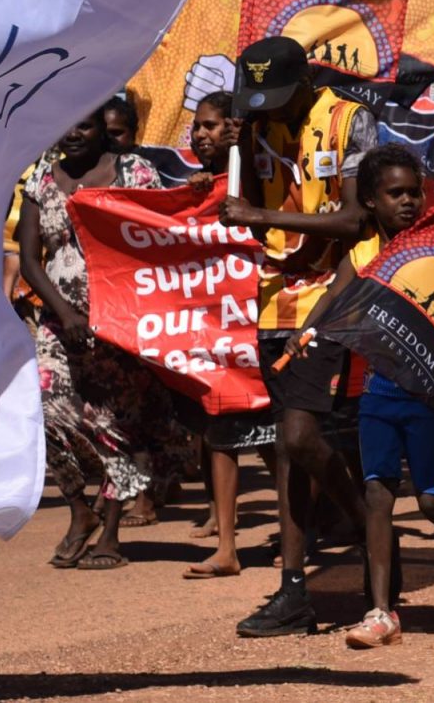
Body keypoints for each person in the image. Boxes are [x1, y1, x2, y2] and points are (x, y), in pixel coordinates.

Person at [288, 145, 434, 646]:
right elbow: (332, 299)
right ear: (370, 201)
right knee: (378, 495)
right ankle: (382, 612)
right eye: (395, 194)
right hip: (376, 392)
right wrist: (307, 332)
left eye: (415, 193)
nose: (408, 202)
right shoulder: (361, 257)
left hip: (428, 394)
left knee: (430, 501)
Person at [221, 36, 377, 638]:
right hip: (273, 300)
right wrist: (229, 157)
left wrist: (259, 217)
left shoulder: (347, 119)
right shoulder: (256, 127)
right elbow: (246, 202)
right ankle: (293, 591)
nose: (271, 109)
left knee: (300, 434)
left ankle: (368, 529)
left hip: (333, 297)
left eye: (281, 98)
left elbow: (354, 219)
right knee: (290, 449)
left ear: (307, 84)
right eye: (260, 100)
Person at [15, 107, 163, 570]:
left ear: (103, 130)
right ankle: (80, 508)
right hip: (62, 321)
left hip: (123, 317)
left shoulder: (135, 172)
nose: (73, 132)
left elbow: (163, 234)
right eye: (67, 122)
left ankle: (112, 533)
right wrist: (65, 313)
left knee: (113, 421)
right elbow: (30, 259)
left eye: (84, 124)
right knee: (46, 409)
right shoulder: (41, 175)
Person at [180, 91, 276, 580]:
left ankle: (299, 528)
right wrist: (198, 193)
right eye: (197, 126)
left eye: (213, 126)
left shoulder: (254, 175)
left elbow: (262, 219)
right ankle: (226, 547)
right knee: (220, 431)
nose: (202, 134)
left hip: (257, 313)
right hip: (214, 324)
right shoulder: (196, 187)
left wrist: (245, 158)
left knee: (274, 437)